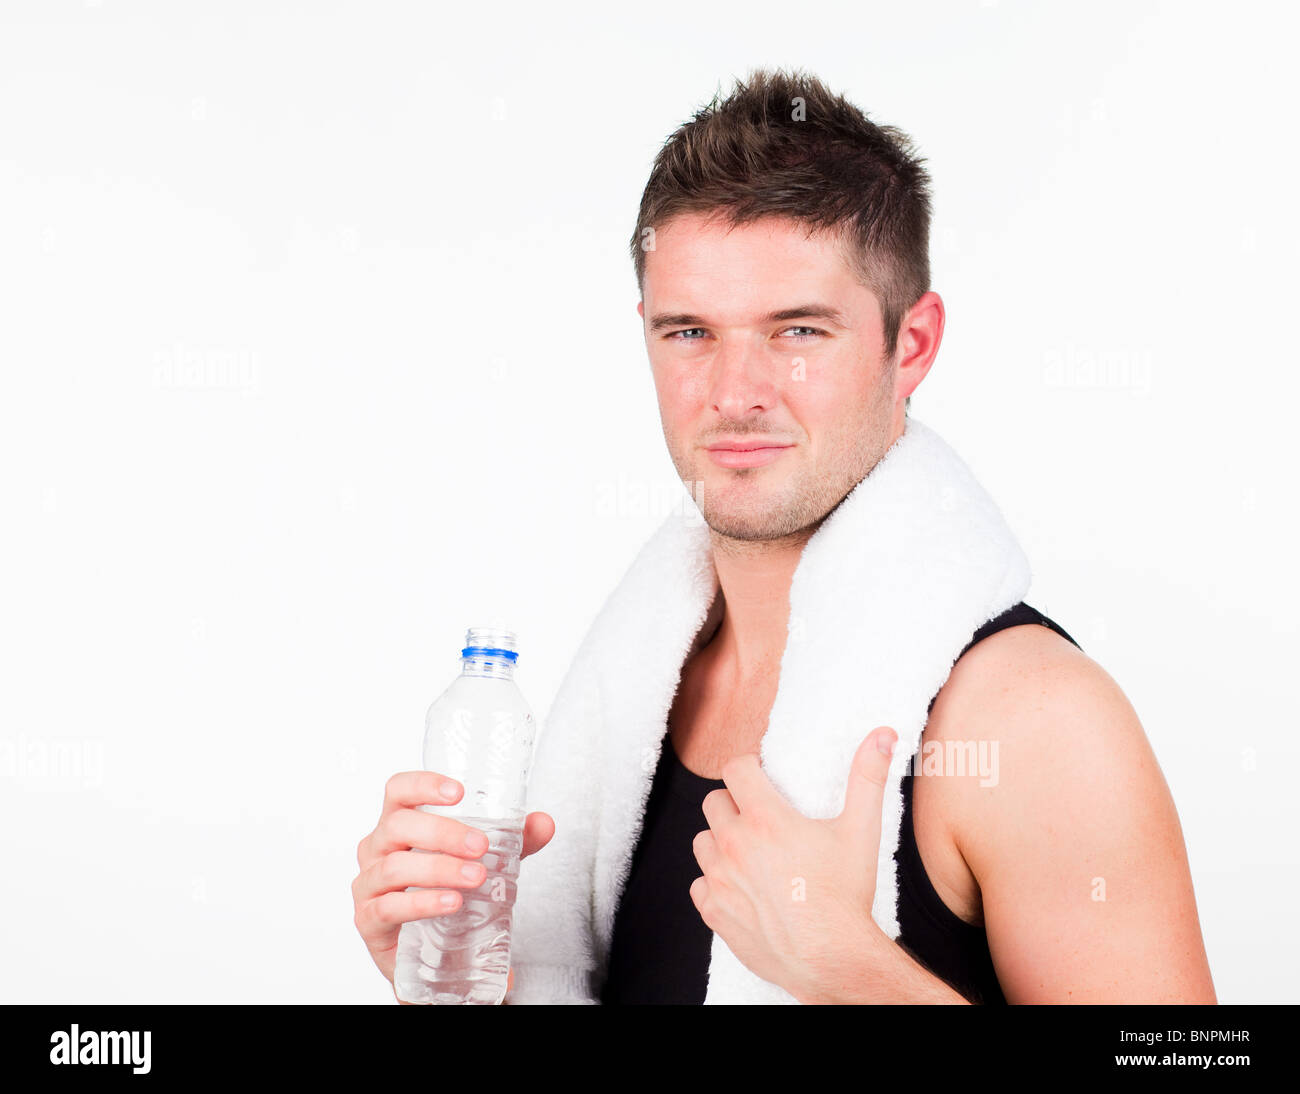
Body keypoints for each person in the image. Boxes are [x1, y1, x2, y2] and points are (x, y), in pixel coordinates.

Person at [352, 67, 1217, 1004]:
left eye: (798, 330)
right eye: (690, 333)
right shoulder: (636, 697)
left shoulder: (1033, 721)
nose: (734, 393)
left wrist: (854, 973)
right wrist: (463, 973)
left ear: (912, 345)